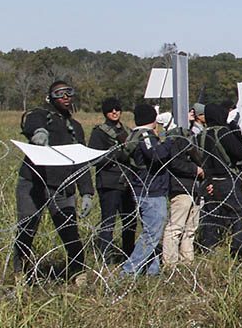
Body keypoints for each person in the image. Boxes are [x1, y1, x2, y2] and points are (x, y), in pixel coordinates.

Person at [13, 80, 95, 282]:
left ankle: (78, 275)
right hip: (33, 183)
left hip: (62, 186)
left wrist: (87, 192)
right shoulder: (42, 115)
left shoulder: (75, 127)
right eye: (59, 94)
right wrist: (38, 133)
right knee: (27, 228)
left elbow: (80, 160)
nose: (65, 97)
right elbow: (31, 121)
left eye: (69, 93)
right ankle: (19, 275)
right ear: (51, 98)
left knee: (70, 231)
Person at [121, 103, 188, 277]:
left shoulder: (134, 135)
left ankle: (152, 270)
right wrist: (170, 141)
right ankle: (129, 271)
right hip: (151, 190)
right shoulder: (145, 136)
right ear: (153, 120)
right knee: (152, 234)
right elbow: (155, 155)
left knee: (151, 232)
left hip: (144, 188)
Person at [195, 102, 242, 259]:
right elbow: (240, 154)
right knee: (239, 215)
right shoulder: (223, 133)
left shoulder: (201, 135)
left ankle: (208, 248)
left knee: (212, 215)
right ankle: (238, 251)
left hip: (208, 181)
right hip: (228, 179)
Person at [88, 96, 137, 265]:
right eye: (110, 110)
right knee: (108, 222)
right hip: (109, 182)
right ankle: (105, 258)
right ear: (105, 113)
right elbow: (94, 158)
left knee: (130, 221)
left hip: (128, 182)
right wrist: (117, 153)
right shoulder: (99, 132)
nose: (114, 112)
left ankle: (129, 254)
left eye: (117, 109)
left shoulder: (128, 132)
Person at [162, 119, 204, 270]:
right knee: (175, 228)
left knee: (190, 230)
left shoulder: (192, 137)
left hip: (195, 189)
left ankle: (187, 261)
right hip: (181, 189)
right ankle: (170, 264)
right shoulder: (176, 139)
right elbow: (175, 163)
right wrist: (196, 169)